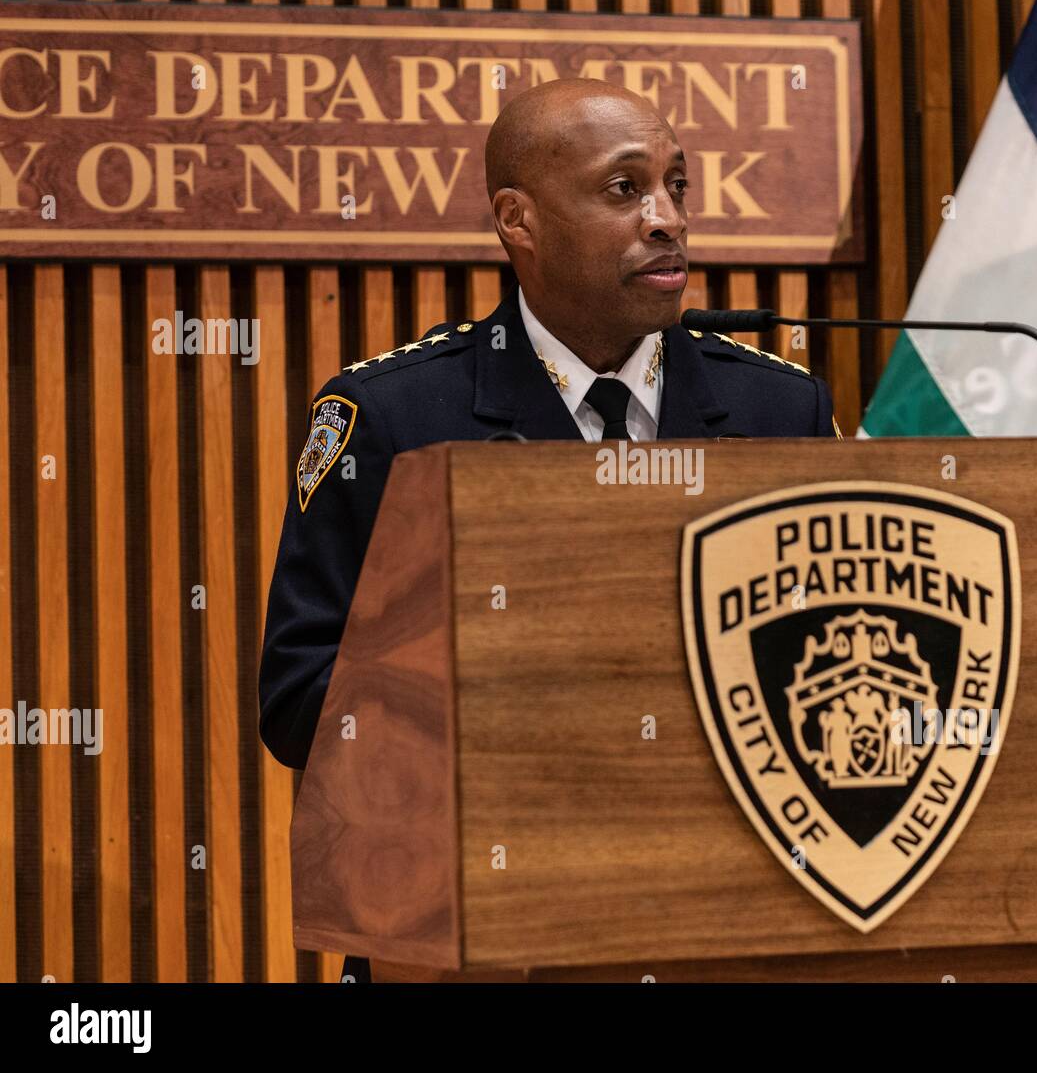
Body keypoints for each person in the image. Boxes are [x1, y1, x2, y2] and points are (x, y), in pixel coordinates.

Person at [258, 78, 841, 982]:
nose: (668, 220)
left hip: (725, 930)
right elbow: (300, 704)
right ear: (518, 221)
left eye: (676, 186)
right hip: (480, 932)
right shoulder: (394, 420)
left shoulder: (780, 407)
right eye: (625, 189)